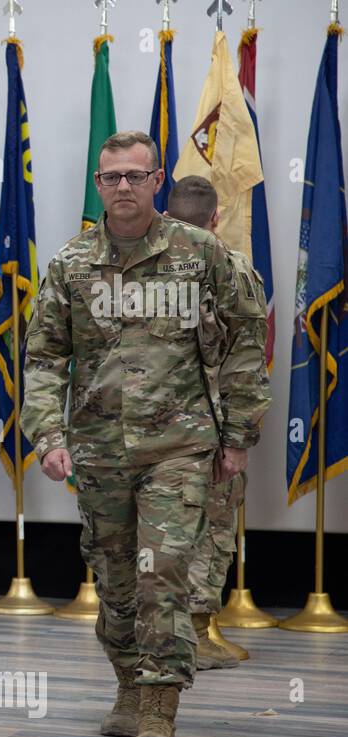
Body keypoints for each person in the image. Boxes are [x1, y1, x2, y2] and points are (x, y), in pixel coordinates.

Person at [23, 132, 271, 737]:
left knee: (163, 572)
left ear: (157, 180)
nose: (123, 187)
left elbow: (248, 332)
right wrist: (47, 435)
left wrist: (239, 434)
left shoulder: (201, 254)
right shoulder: (72, 263)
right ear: (97, 184)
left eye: (135, 176)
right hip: (100, 451)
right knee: (116, 581)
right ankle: (129, 682)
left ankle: (161, 709)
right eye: (111, 178)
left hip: (179, 448)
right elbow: (45, 356)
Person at [166, 174, 268, 671]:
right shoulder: (234, 269)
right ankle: (199, 633)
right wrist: (240, 438)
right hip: (212, 429)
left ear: (166, 217)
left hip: (151, 431)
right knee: (212, 526)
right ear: (216, 219)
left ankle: (159, 636)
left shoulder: (139, 271)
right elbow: (247, 363)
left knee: (159, 532)